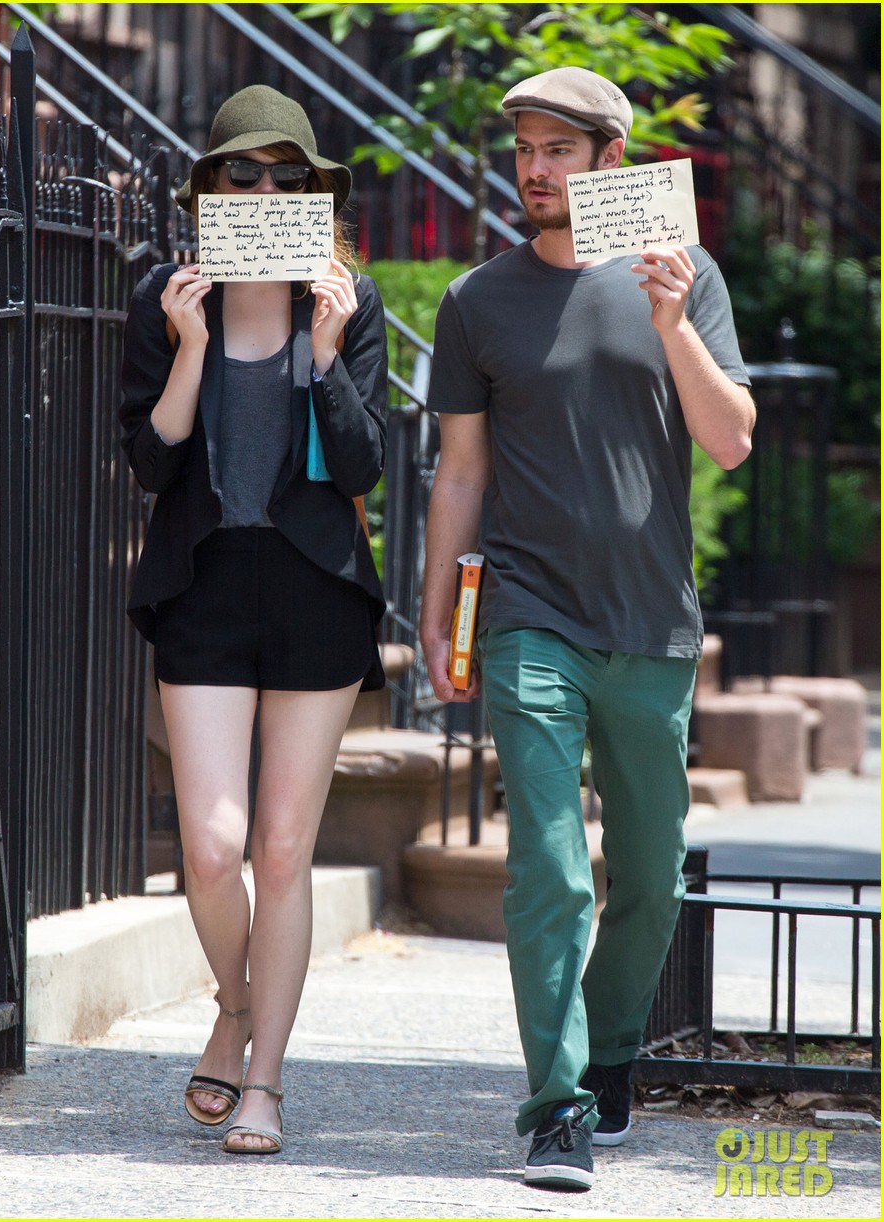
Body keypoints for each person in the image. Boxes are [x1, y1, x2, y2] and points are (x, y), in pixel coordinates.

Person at [420, 66, 754, 1192]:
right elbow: (459, 472)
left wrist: (671, 324)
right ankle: (556, 1103)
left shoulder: (684, 274)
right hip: (529, 614)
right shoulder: (478, 302)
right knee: (552, 868)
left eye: (559, 147)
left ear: (613, 161)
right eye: (524, 146)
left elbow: (733, 440)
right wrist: (434, 609)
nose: (536, 166)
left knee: (652, 871)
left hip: (653, 621)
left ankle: (613, 1051)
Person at [119, 85, 388, 1156]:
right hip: (205, 585)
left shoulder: (349, 298)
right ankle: (234, 1006)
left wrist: (326, 350)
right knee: (213, 846)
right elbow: (148, 460)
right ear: (208, 188)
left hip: (316, 587)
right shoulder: (168, 297)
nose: (264, 188)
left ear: (316, 192)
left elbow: (366, 464)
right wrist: (187, 343)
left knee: (282, 850)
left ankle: (264, 1074)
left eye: (287, 175)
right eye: (242, 171)